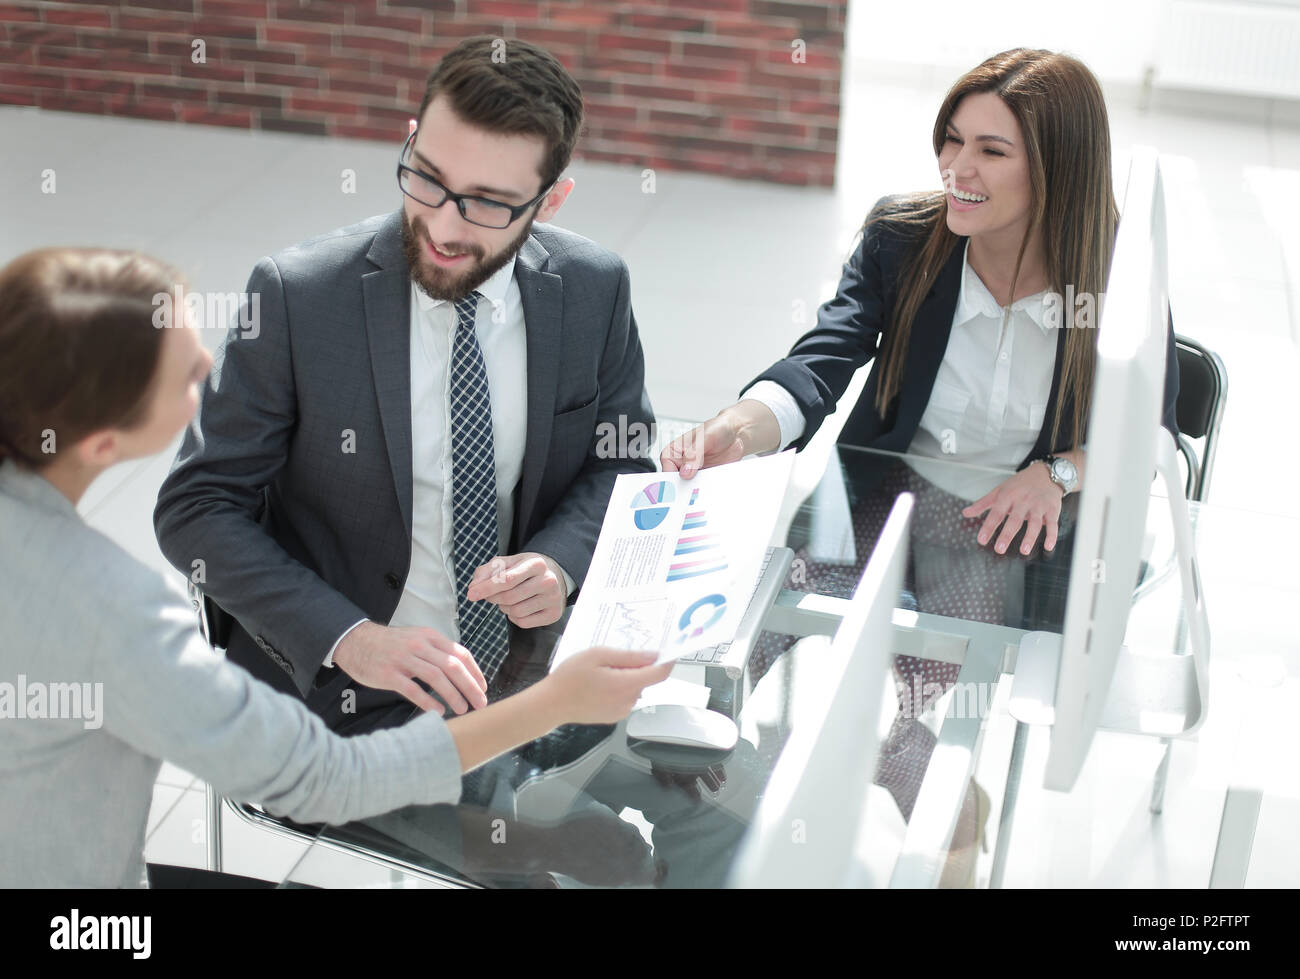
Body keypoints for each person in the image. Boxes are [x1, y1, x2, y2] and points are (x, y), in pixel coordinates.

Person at [662, 48, 1181, 885]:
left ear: (1060, 164)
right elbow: (826, 354)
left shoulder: (1118, 273)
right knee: (748, 655)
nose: (956, 168)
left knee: (891, 716)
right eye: (951, 140)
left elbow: (1150, 424)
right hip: (881, 486)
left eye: (990, 150)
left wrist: (1059, 473)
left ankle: (937, 819)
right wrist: (742, 425)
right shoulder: (907, 237)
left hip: (1000, 524)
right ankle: (719, 836)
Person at [0, 247, 673, 888]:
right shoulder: (113, 611)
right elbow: (327, 779)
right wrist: (553, 706)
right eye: (186, 374)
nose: (211, 363)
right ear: (103, 441)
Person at [153, 37, 657, 735]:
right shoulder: (298, 299)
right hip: (341, 693)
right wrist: (352, 638)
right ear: (410, 139)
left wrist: (559, 561)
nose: (444, 228)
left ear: (551, 201)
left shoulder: (595, 289)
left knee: (671, 818)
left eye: (487, 204)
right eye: (427, 178)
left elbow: (621, 466)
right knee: (516, 837)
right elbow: (195, 507)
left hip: (532, 673)